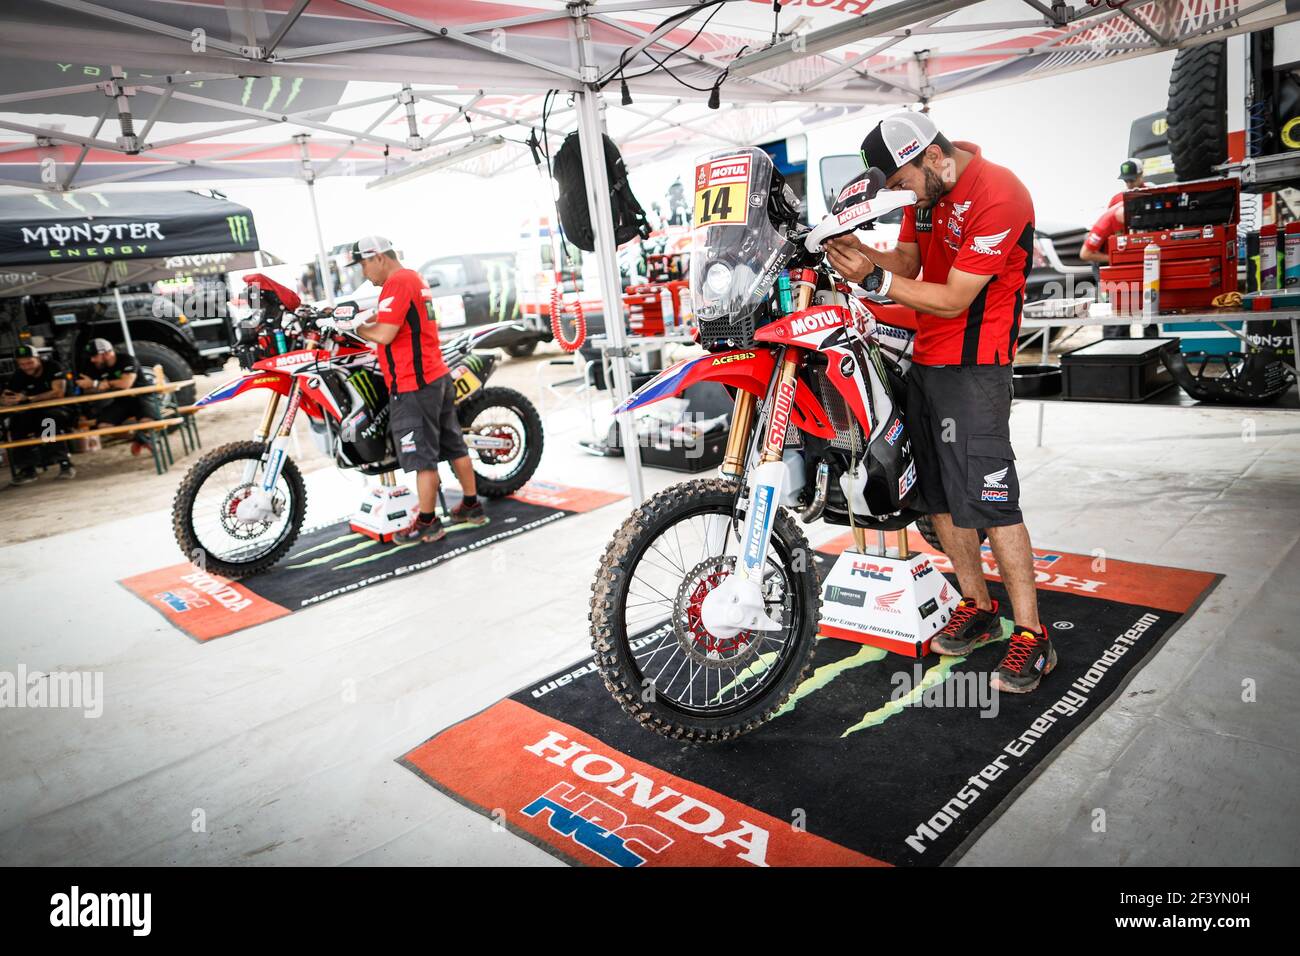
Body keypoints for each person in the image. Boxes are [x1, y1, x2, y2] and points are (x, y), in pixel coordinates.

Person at [824, 110, 1055, 695]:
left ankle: (1031, 633)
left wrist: (875, 285)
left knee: (992, 499)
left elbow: (953, 298)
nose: (900, 196)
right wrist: (865, 256)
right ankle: (977, 606)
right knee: (941, 497)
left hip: (976, 368)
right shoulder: (928, 191)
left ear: (931, 155)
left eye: (900, 183)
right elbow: (912, 263)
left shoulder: (1000, 194)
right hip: (926, 362)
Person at [324, 235, 484, 544]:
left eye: (363, 265)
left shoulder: (397, 283)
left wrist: (354, 328)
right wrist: (364, 319)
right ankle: (472, 505)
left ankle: (428, 523)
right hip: (436, 375)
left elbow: (384, 334)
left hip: (413, 383)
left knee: (422, 457)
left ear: (379, 258)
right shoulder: (413, 279)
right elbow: (391, 319)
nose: (363, 273)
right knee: (454, 446)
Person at [1079, 157, 1155, 337]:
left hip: (1133, 258)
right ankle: (1115, 351)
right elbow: (1086, 252)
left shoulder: (1152, 194)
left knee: (1149, 307)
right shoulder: (1116, 203)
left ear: (1141, 176)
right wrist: (1115, 258)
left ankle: (1154, 348)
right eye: (1126, 181)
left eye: (1132, 180)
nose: (1129, 184)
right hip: (1109, 261)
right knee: (1119, 309)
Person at [1, 345, 75, 484]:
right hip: (35, 412)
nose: (26, 366)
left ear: (38, 359)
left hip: (64, 409)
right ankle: (27, 468)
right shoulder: (19, 374)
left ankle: (64, 463)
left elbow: (58, 393)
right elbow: (8, 395)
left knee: (49, 420)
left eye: (30, 362)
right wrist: (7, 399)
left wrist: (28, 398)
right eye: (22, 364)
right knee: (16, 424)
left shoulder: (53, 366)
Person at [76, 338, 158, 455]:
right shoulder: (96, 366)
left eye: (94, 356)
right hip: (122, 401)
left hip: (141, 397)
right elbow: (86, 388)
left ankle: (142, 438)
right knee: (103, 426)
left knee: (148, 422)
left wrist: (97, 384)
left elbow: (125, 384)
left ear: (106, 353)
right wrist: (93, 385)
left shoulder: (127, 360)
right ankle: (138, 438)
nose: (92, 359)